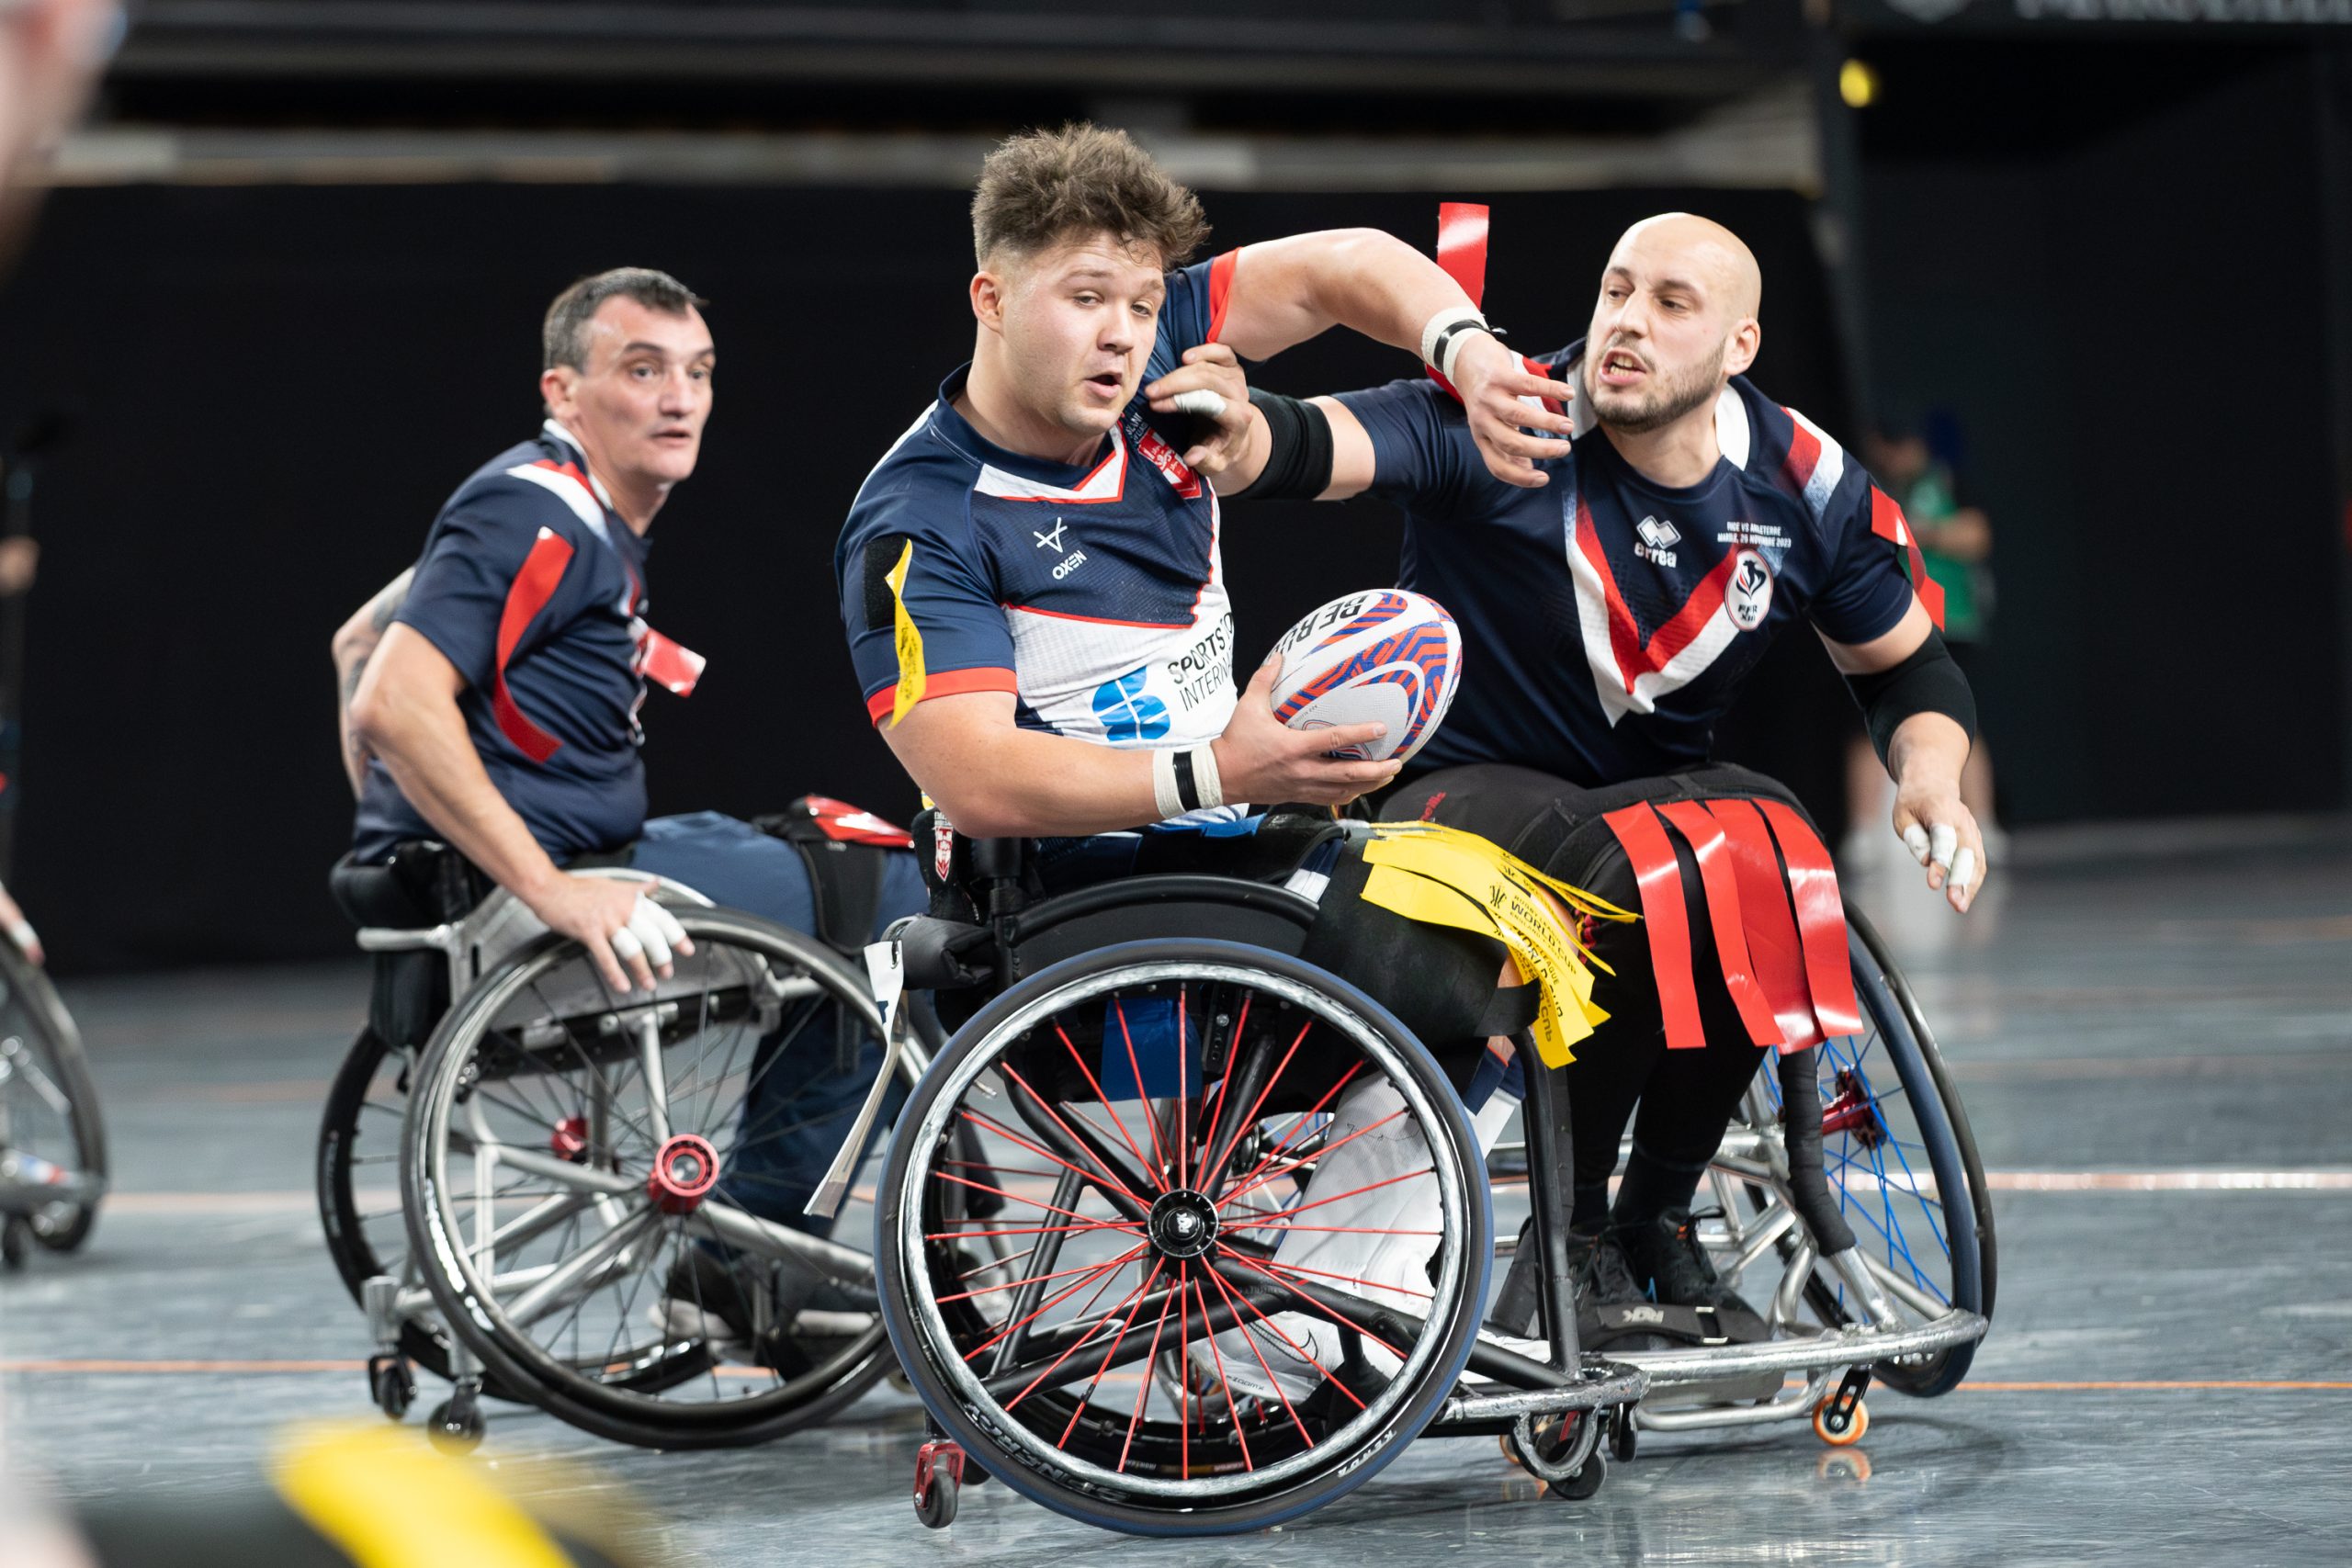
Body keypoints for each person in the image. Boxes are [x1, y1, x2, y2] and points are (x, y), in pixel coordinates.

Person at [836, 125, 1597, 1399]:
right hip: (1067, 895)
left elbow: (1353, 262)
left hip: (1224, 842)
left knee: (1509, 923)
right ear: (992, 296)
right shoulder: (923, 515)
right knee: (1434, 943)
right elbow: (972, 772)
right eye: (1086, 298)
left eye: (1142, 303)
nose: (1125, 333)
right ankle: (1278, 1315)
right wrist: (1220, 769)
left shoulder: (1144, 357)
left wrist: (1462, 354)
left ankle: (1325, 1294)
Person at [1216, 211, 1984, 1336]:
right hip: (1453, 801)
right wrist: (1237, 431)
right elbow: (1300, 444)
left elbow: (1913, 672)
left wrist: (1929, 777)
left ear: (1739, 347)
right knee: (1641, 869)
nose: (1627, 321)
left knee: (1767, 840)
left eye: (1671, 304)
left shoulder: (1805, 485)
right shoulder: (1505, 412)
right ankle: (1563, 1244)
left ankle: (1656, 1221)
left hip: (1654, 813)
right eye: (1617, 291)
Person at [334, 266, 922, 1359]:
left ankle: (765, 1257)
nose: (678, 398)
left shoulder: (564, 508)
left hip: (545, 860)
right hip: (555, 876)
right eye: (641, 370)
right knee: (886, 897)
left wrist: (399, 831)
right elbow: (392, 697)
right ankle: (752, 1266)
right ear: (564, 391)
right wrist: (543, 886)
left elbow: (355, 643)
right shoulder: (536, 511)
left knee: (837, 850)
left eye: (696, 373)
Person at [1847, 419, 1996, 857]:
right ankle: (1863, 834)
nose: (1897, 456)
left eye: (1904, 445)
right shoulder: (1864, 482)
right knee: (1865, 725)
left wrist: (1921, 531)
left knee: (1964, 726)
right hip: (1886, 620)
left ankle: (1981, 822)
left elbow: (1977, 534)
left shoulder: (1947, 481)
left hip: (1952, 623)